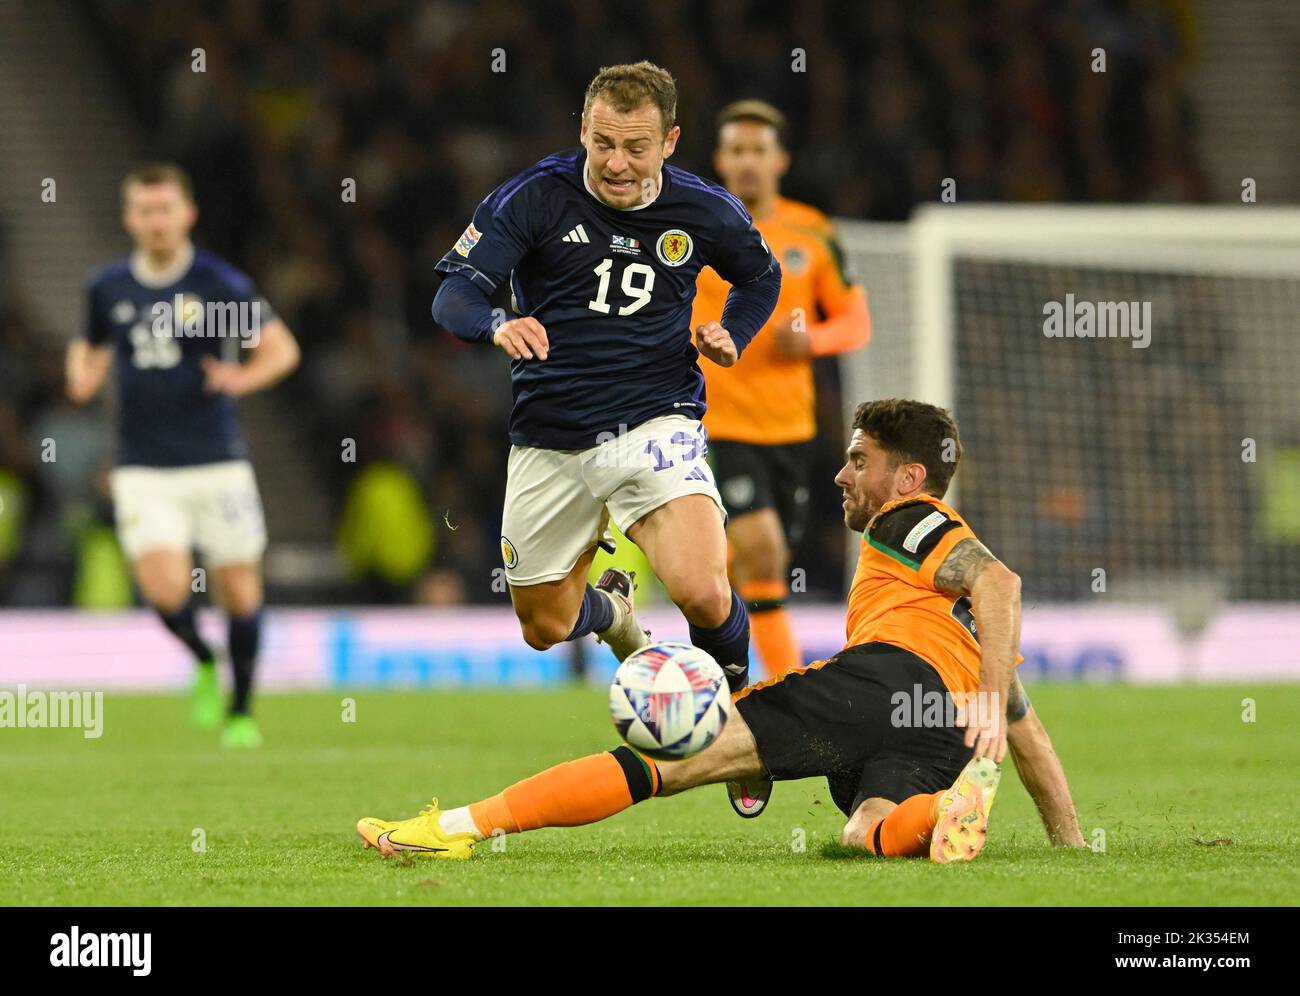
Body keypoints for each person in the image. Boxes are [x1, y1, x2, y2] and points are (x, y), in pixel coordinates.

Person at [357, 399, 1085, 862]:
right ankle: (940, 819)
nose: (840, 475)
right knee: (867, 828)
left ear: (908, 477)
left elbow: (1000, 581)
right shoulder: (968, 624)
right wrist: (1071, 845)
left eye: (860, 461)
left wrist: (987, 698)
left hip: (887, 680)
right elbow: (1030, 733)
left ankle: (455, 828)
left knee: (669, 761)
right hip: (941, 728)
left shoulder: (911, 518)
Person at [430, 61, 780, 702]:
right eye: (603, 143)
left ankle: (736, 719)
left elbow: (760, 276)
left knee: (703, 590)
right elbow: (454, 294)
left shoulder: (703, 209)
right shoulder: (533, 196)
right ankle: (613, 613)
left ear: (669, 143)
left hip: (655, 415)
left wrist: (734, 330)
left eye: (636, 148)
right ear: (584, 130)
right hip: (551, 432)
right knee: (545, 625)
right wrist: (496, 322)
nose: (616, 163)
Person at [66, 164, 300, 747]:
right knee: (165, 592)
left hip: (216, 459)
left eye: (165, 209)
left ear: (187, 213)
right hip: (143, 465)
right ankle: (201, 657)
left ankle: (241, 711)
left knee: (240, 590)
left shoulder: (217, 284)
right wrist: (83, 372)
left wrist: (239, 380)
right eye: (145, 211)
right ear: (129, 219)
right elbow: (89, 349)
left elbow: (281, 350)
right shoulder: (108, 288)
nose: (156, 221)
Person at [693, 100, 871, 687]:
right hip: (715, 421)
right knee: (761, 548)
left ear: (780, 160)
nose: (747, 162)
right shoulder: (693, 225)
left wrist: (812, 339)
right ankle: (786, 686)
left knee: (761, 571)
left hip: (791, 429)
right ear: (720, 160)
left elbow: (855, 322)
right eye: (737, 151)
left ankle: (729, 672)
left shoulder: (812, 232)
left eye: (758, 151)